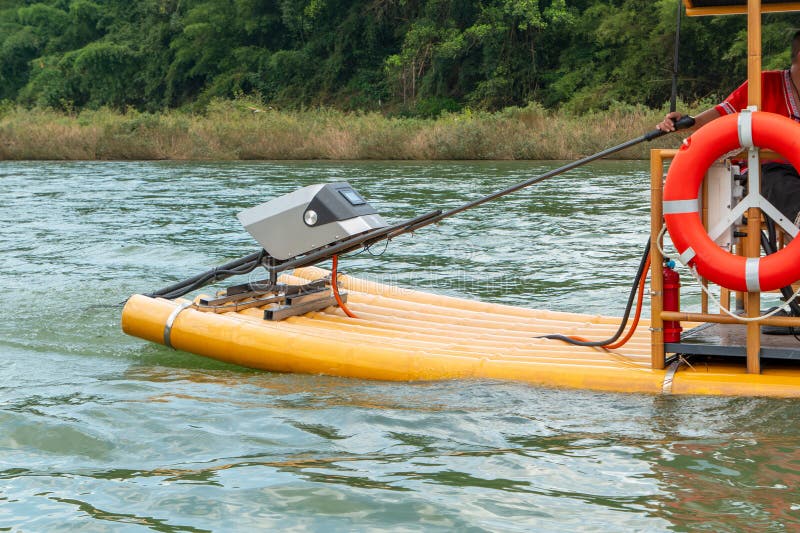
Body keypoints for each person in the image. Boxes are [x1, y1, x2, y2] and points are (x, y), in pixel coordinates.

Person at [658, 30, 800, 228]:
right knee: (777, 180)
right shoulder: (764, 84)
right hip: (767, 172)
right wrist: (685, 122)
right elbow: (721, 117)